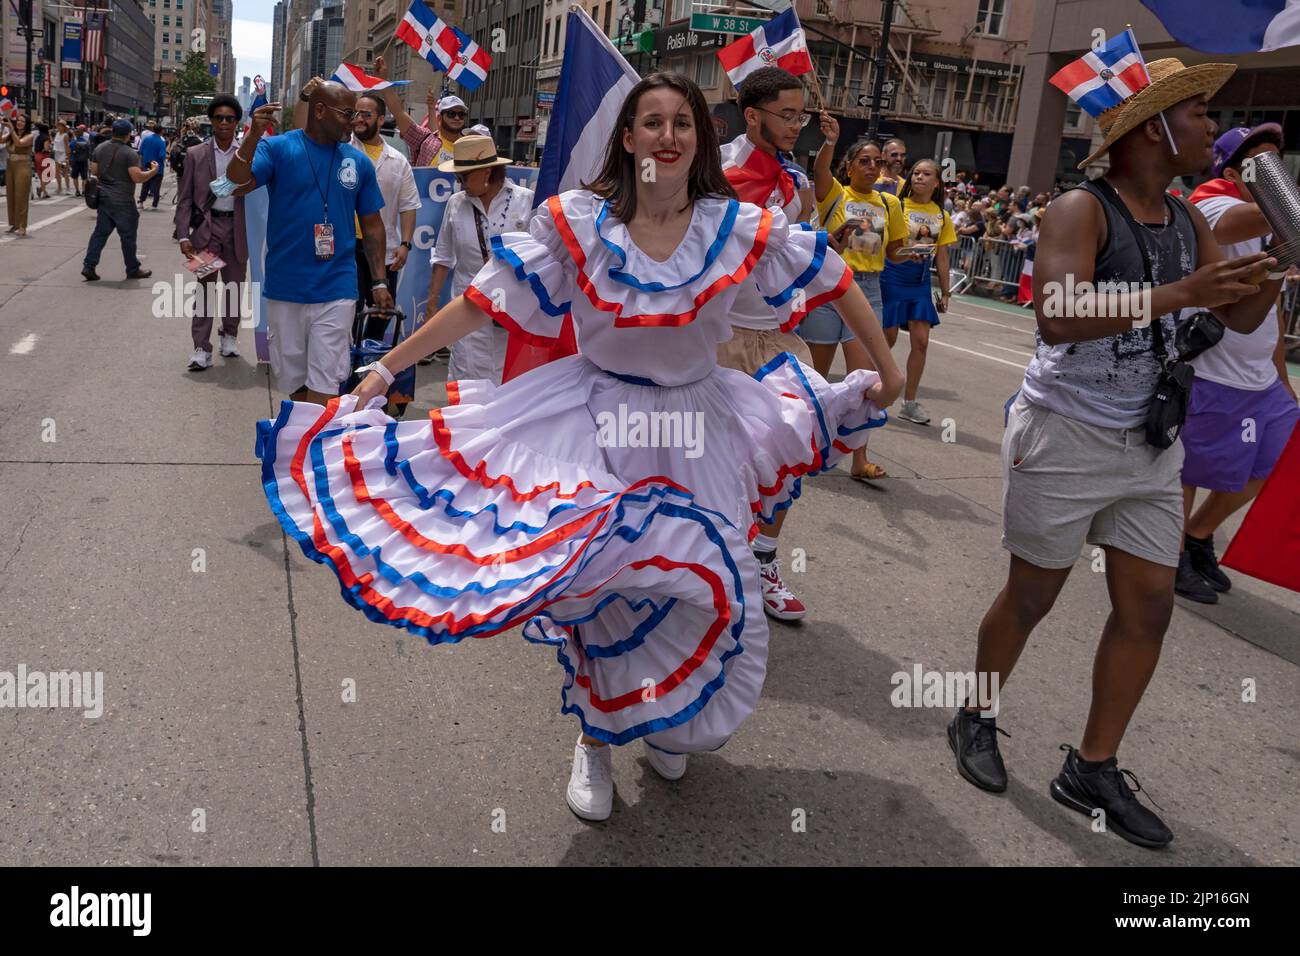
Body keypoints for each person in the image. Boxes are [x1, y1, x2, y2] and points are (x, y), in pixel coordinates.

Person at [253, 71, 903, 824]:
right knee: (599, 594)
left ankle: (660, 717)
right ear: (627, 138)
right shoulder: (580, 221)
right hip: (599, 423)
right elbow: (482, 300)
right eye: (651, 122)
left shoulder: (738, 225)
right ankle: (596, 739)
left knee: (709, 590)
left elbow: (830, 271)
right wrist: (388, 367)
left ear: (699, 139)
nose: (667, 136)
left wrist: (884, 369)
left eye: (682, 123)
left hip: (697, 428)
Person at [948, 58, 1281, 849]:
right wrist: (1180, 296)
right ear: (1151, 130)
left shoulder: (1186, 218)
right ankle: (975, 712)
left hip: (1149, 445)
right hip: (1066, 435)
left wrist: (1268, 275)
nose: (1210, 127)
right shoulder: (1078, 207)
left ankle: (1092, 765)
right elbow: (1058, 315)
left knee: (1149, 607)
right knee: (1033, 597)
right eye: (1197, 113)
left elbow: (1233, 320)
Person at [716, 66, 827, 622]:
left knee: (793, 447)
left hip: (781, 334)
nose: (796, 125)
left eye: (800, 115)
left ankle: (762, 560)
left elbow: (804, 241)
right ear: (753, 115)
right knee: (721, 463)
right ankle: (712, 567)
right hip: (722, 338)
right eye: (788, 115)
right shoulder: (718, 172)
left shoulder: (793, 176)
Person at [1176, 123, 1300, 603]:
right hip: (1212, 372)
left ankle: (1199, 534)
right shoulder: (1211, 203)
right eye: (1261, 166)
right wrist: (1285, 209)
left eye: (1277, 163)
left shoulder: (1271, 225)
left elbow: (1270, 307)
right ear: (1231, 171)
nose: (1277, 176)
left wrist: (1283, 378)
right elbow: (1240, 223)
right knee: (1189, 471)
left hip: (1261, 379)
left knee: (1274, 460)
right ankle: (1170, 558)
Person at [223, 82, 390, 405]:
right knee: (294, 380)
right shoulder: (279, 149)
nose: (353, 121)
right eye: (346, 113)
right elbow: (235, 184)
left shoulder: (358, 163)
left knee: (326, 378)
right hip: (286, 288)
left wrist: (380, 279)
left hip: (336, 288)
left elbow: (372, 226)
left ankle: (314, 449)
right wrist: (254, 137)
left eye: (356, 114)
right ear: (319, 111)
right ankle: (305, 439)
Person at [806, 135, 909, 481]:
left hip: (867, 290)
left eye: (877, 162)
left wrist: (919, 251)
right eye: (863, 161)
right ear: (848, 166)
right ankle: (803, 447)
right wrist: (832, 140)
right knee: (815, 380)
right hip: (828, 288)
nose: (871, 167)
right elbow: (820, 167)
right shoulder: (836, 193)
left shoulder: (889, 203)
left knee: (862, 382)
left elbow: (895, 251)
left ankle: (858, 460)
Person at [293, 79, 422, 335]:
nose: (358, 119)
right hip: (343, 247)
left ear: (381, 120)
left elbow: (408, 205)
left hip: (382, 250)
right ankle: (344, 361)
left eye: (366, 114)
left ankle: (367, 363)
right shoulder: (338, 149)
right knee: (344, 310)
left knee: (382, 311)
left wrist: (406, 244)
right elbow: (299, 128)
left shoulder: (399, 161)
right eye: (354, 113)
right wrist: (305, 96)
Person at [430, 133, 533, 383]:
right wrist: (432, 302)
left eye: (463, 176)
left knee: (510, 385)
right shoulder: (456, 204)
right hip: (468, 309)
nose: (459, 183)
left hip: (514, 313)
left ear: (486, 172)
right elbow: (443, 255)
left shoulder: (526, 201)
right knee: (467, 383)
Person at [175, 94, 251, 371]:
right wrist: (184, 235)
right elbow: (184, 198)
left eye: (229, 119)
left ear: (236, 122)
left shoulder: (246, 153)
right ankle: (200, 348)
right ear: (211, 121)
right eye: (218, 118)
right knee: (205, 290)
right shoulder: (196, 154)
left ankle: (229, 336)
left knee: (234, 286)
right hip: (207, 229)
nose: (223, 123)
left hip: (237, 228)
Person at [880, 158, 956, 425]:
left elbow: (943, 256)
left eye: (926, 174)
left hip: (920, 283)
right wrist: (906, 253)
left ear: (936, 183)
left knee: (921, 342)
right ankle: (872, 390)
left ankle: (909, 403)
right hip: (892, 276)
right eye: (916, 173)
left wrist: (945, 292)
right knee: (886, 339)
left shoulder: (942, 215)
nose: (919, 177)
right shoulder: (897, 206)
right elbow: (886, 244)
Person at [82, 119, 158, 281]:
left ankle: (89, 265)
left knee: (100, 234)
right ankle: (132, 268)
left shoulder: (100, 148)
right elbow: (137, 177)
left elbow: (94, 170)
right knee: (128, 237)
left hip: (104, 198)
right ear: (128, 134)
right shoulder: (129, 153)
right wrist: (153, 171)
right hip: (123, 200)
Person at [370, 55, 465, 168]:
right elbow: (398, 112)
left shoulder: (470, 147)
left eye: (461, 114)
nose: (457, 118)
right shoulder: (425, 140)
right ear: (440, 117)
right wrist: (383, 80)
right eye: (451, 114)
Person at [0, 114, 33, 237]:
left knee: (21, 195)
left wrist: (11, 129)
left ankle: (22, 226)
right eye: (18, 120)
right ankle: (14, 224)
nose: (19, 122)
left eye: (22, 121)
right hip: (10, 165)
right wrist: (3, 127)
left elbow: (19, 143)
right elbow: (0, 140)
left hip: (23, 165)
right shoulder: (11, 133)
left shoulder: (30, 136)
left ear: (27, 124)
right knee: (11, 195)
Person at [137, 121, 167, 210]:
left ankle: (141, 202)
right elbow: (162, 156)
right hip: (158, 167)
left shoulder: (146, 139)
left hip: (146, 166)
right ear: (161, 131)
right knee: (156, 186)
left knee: (145, 184)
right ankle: (154, 205)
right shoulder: (162, 141)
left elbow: (141, 151)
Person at [69, 124, 90, 197]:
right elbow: (88, 151)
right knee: (84, 177)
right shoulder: (86, 142)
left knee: (75, 177)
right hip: (84, 161)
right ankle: (84, 191)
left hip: (75, 160)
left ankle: (77, 191)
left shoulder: (73, 142)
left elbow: (69, 150)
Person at [52, 121, 71, 195]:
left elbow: (67, 147)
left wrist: (67, 157)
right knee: (57, 173)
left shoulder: (65, 135)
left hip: (63, 156)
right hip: (57, 155)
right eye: (58, 126)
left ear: (64, 127)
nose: (59, 127)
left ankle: (68, 188)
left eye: (60, 126)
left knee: (65, 172)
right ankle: (59, 188)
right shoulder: (57, 134)